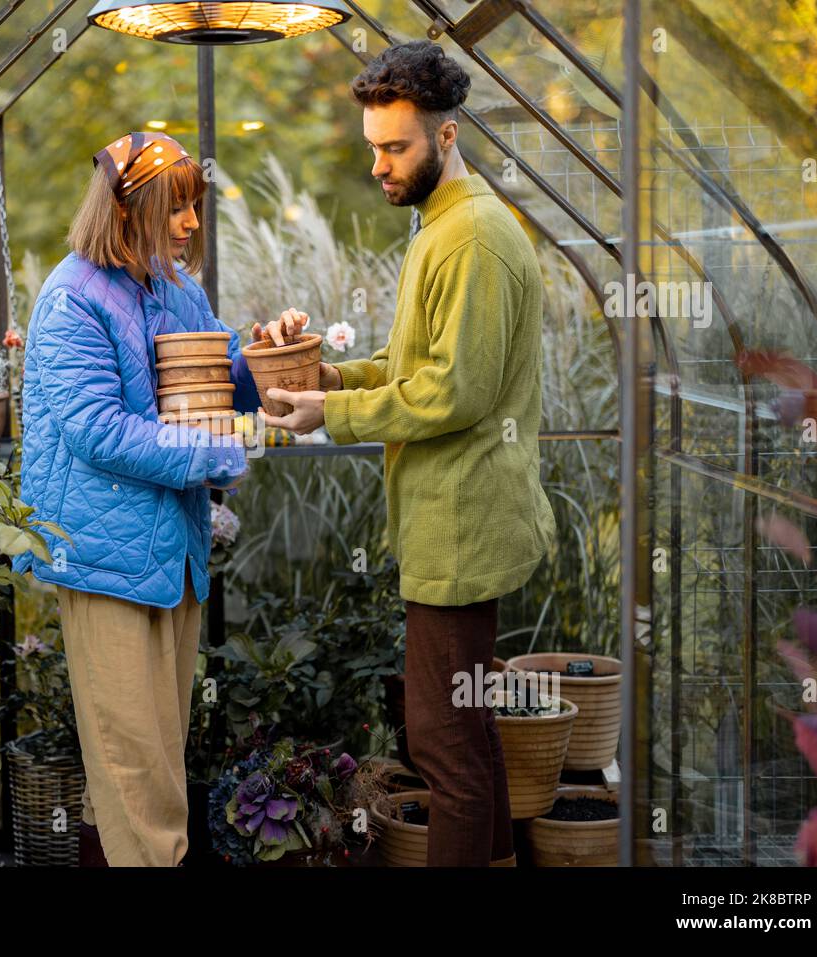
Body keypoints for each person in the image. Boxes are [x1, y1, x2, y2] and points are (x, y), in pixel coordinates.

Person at [259, 42, 557, 867]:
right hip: (447, 521)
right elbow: (412, 365)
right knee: (467, 727)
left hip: (463, 527)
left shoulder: (471, 240)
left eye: (398, 148)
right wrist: (328, 379)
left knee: (442, 744)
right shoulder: (445, 226)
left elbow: (454, 393)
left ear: (448, 136)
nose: (381, 166)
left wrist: (335, 412)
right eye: (374, 148)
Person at [15, 131, 304, 866]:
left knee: (144, 765)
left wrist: (256, 356)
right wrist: (221, 448)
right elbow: (97, 430)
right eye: (178, 208)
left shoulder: (177, 288)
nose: (191, 224)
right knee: (139, 776)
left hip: (172, 554)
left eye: (194, 207)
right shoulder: (71, 298)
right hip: (104, 561)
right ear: (132, 207)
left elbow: (208, 376)